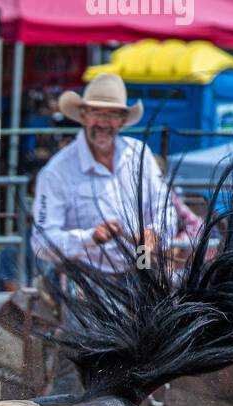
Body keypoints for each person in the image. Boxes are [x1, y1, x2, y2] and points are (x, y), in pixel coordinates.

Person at [30, 74, 173, 273]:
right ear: (83, 116)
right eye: (96, 112)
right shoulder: (57, 171)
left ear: (122, 121)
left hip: (139, 273)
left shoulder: (140, 155)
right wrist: (90, 238)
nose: (104, 122)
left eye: (113, 114)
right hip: (84, 278)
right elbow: (41, 243)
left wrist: (154, 233)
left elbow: (166, 211)